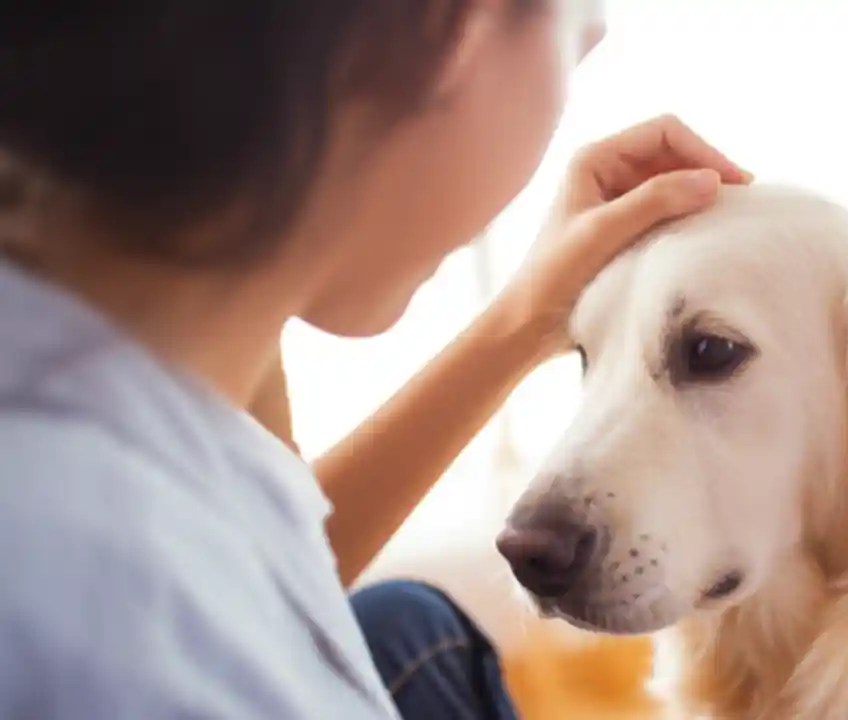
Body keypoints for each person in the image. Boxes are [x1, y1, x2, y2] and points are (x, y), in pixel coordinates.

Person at [0, 2, 751, 718]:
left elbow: (281, 575)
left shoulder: (165, 361)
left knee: (407, 624)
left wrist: (527, 319)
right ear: (464, 23)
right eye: (576, 38)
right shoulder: (106, 618)